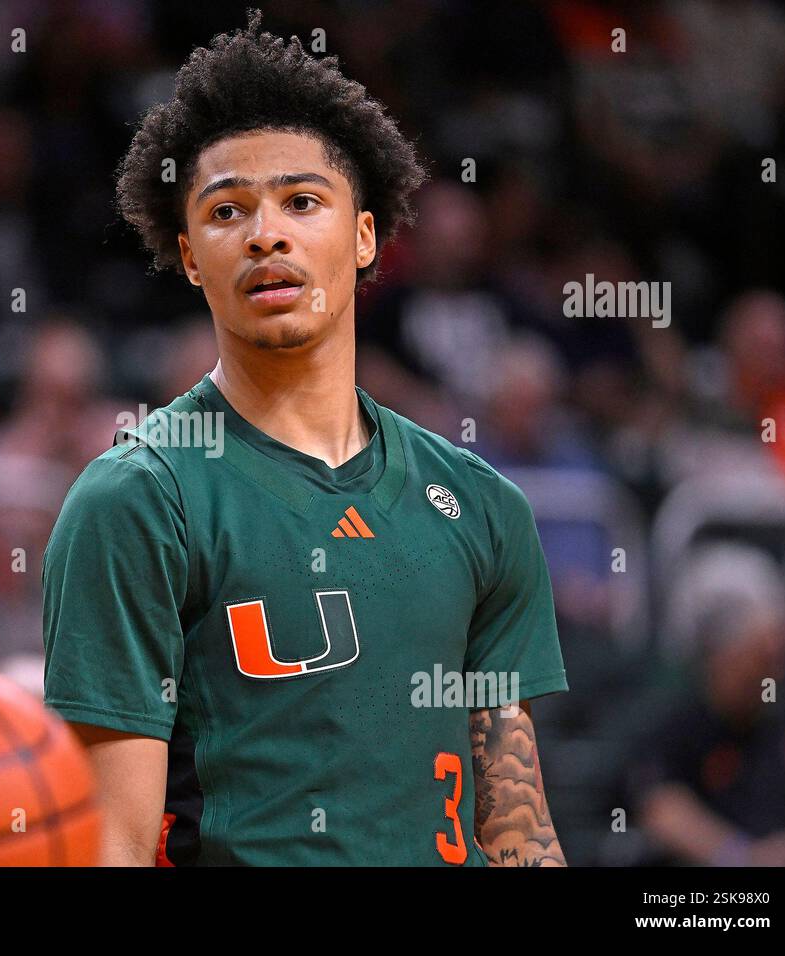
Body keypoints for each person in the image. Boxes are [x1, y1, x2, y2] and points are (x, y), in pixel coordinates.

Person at [42, 13, 569, 866]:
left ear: (365, 238)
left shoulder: (481, 506)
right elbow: (114, 845)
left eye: (301, 201)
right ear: (188, 256)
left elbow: (517, 828)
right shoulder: (135, 501)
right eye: (226, 211)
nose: (265, 234)